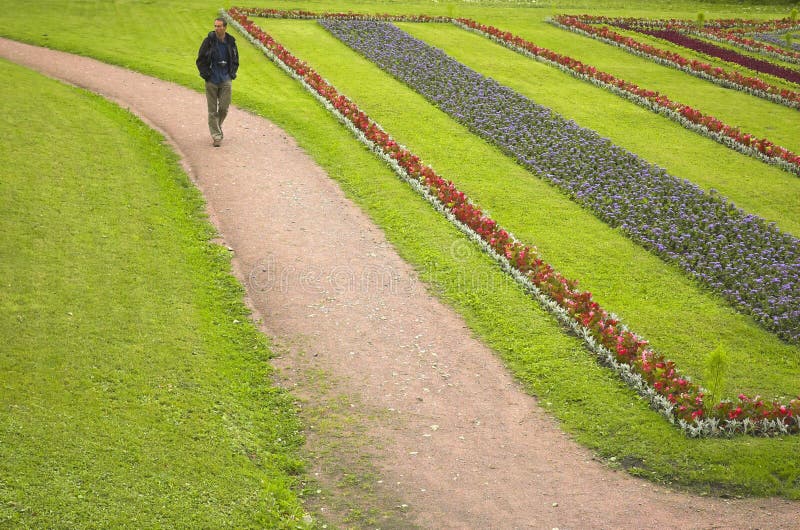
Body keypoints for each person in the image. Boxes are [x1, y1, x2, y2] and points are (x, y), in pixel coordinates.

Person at [196, 17, 239, 147]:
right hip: (212, 80)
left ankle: (216, 126)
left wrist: (232, 73)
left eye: (219, 26)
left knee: (224, 108)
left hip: (226, 79)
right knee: (212, 110)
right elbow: (200, 60)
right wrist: (206, 75)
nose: (217, 28)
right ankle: (216, 136)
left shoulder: (231, 42)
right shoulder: (208, 41)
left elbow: (236, 59)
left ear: (225, 27)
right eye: (215, 26)